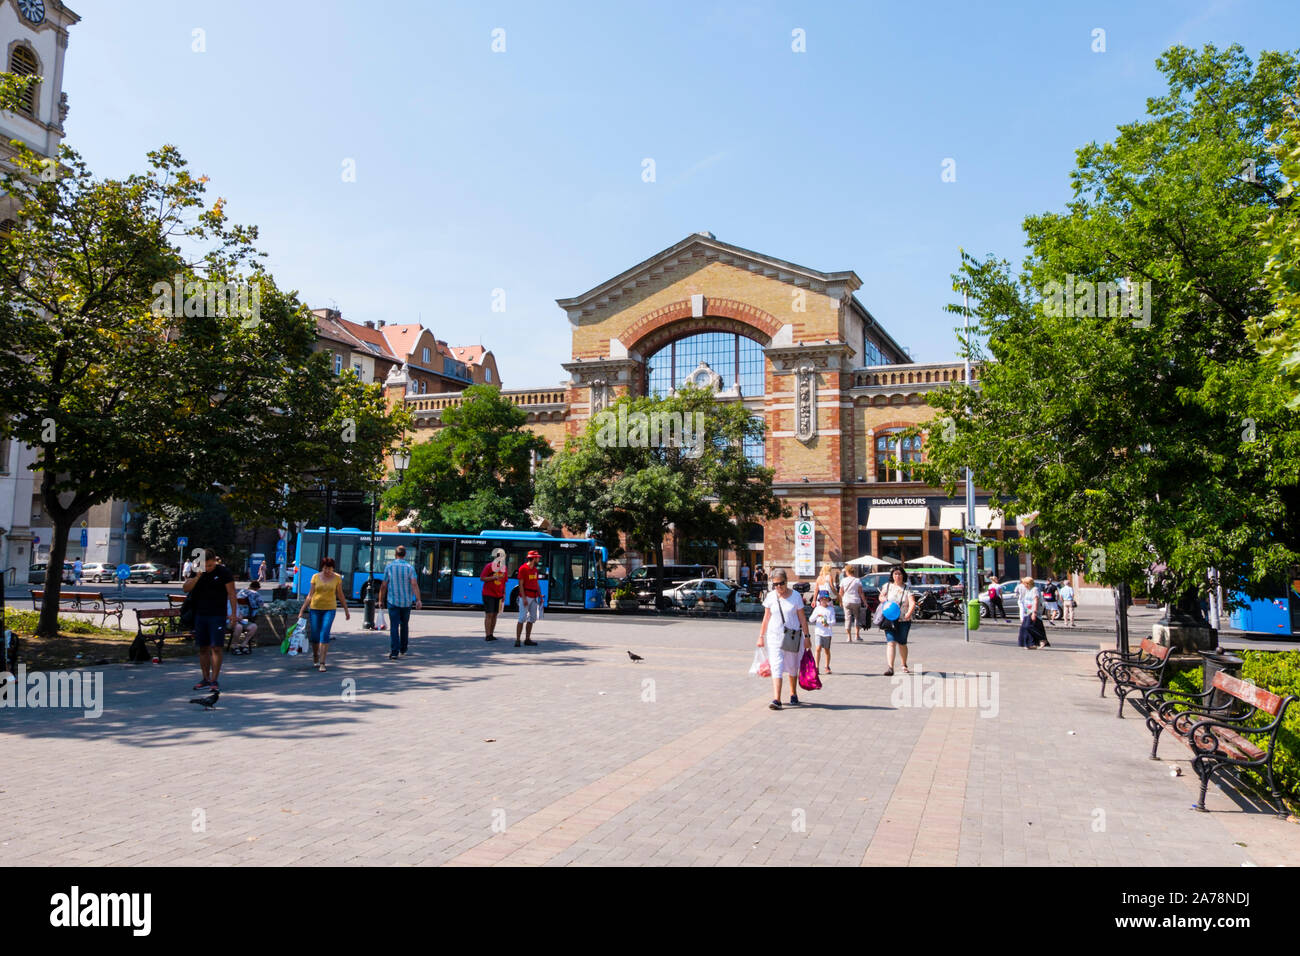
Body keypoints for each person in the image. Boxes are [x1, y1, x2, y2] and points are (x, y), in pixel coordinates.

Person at [183, 550, 237, 691]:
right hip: (200, 614)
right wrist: (197, 577)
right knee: (203, 648)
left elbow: (232, 594)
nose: (208, 568)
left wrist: (233, 614)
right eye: (205, 566)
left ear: (215, 561)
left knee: (216, 647)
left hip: (218, 615)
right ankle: (205, 678)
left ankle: (214, 680)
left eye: (211, 565)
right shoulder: (197, 571)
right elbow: (185, 588)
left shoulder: (224, 572)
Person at [756, 569, 811, 710]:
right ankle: (777, 699)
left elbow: (802, 618)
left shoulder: (796, 596)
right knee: (777, 666)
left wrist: (807, 637)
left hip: (792, 636)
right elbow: (766, 618)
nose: (778, 587)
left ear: (786, 582)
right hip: (774, 636)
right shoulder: (770, 597)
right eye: (775, 584)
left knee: (792, 666)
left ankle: (793, 693)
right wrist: (761, 636)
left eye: (781, 583)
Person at [297, 556, 350, 671]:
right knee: (315, 635)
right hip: (315, 608)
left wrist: (346, 610)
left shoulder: (337, 578)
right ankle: (315, 655)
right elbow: (310, 595)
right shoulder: (315, 577)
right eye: (325, 568)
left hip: (330, 609)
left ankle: (322, 662)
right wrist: (302, 610)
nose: (327, 571)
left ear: (333, 569)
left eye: (330, 569)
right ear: (322, 567)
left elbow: (340, 595)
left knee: (325, 633)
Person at [379, 544, 420, 659]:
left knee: (394, 626)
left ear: (395, 554)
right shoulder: (410, 568)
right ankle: (403, 648)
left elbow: (383, 585)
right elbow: (414, 584)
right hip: (406, 602)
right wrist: (418, 600)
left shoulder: (389, 567)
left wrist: (380, 600)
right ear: (405, 555)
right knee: (404, 625)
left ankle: (394, 652)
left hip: (393, 601)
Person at [880, 566, 917, 677]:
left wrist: (908, 614)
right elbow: (881, 597)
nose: (897, 576)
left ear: (903, 575)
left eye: (899, 574)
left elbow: (912, 602)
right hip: (890, 619)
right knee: (891, 642)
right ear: (892, 575)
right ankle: (890, 667)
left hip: (903, 619)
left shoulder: (907, 588)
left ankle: (904, 664)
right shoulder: (887, 586)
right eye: (895, 574)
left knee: (902, 643)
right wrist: (884, 600)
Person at [515, 550, 543, 647]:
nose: (539, 559)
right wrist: (524, 598)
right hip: (526, 596)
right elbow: (520, 585)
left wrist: (540, 596)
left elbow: (536, 583)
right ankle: (517, 640)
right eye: (537, 557)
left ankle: (527, 639)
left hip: (534, 597)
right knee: (522, 618)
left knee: (533, 618)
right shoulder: (523, 569)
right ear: (533, 558)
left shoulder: (535, 570)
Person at [230, 579, 264, 655]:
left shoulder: (242, 591)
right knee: (240, 626)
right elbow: (261, 604)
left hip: (241, 614)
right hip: (248, 614)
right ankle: (236, 645)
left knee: (253, 626)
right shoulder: (256, 594)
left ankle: (243, 644)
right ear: (257, 588)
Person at [480, 552, 507, 642]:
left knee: (495, 614)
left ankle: (491, 634)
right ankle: (487, 635)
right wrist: (493, 578)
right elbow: (482, 578)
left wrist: (504, 594)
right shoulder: (489, 566)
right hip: (488, 593)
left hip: (498, 594)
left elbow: (504, 582)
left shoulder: (504, 568)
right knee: (489, 614)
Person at [1017, 576, 1049, 649]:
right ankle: (1031, 644)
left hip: (1033, 611)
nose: (1023, 585)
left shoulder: (1035, 589)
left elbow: (1035, 600)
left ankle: (1042, 639)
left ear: (1028, 583)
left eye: (1024, 583)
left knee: (1028, 626)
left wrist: (1034, 612)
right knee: (1024, 628)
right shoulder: (1028, 590)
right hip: (1027, 611)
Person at [809, 589, 836, 675]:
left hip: (827, 633)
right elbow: (811, 619)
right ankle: (816, 667)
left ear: (828, 600)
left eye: (826, 599)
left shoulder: (830, 609)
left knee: (827, 650)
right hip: (818, 632)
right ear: (819, 600)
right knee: (818, 649)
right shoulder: (817, 609)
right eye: (822, 599)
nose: (824, 601)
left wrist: (828, 624)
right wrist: (817, 615)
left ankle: (827, 666)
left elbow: (833, 621)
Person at [839, 564, 866, 641]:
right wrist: (864, 602)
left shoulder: (843, 580)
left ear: (847, 572)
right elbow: (861, 592)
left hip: (846, 601)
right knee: (857, 618)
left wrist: (840, 601)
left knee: (847, 619)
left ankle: (849, 637)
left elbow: (841, 592)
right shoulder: (857, 580)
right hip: (856, 601)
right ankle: (857, 635)